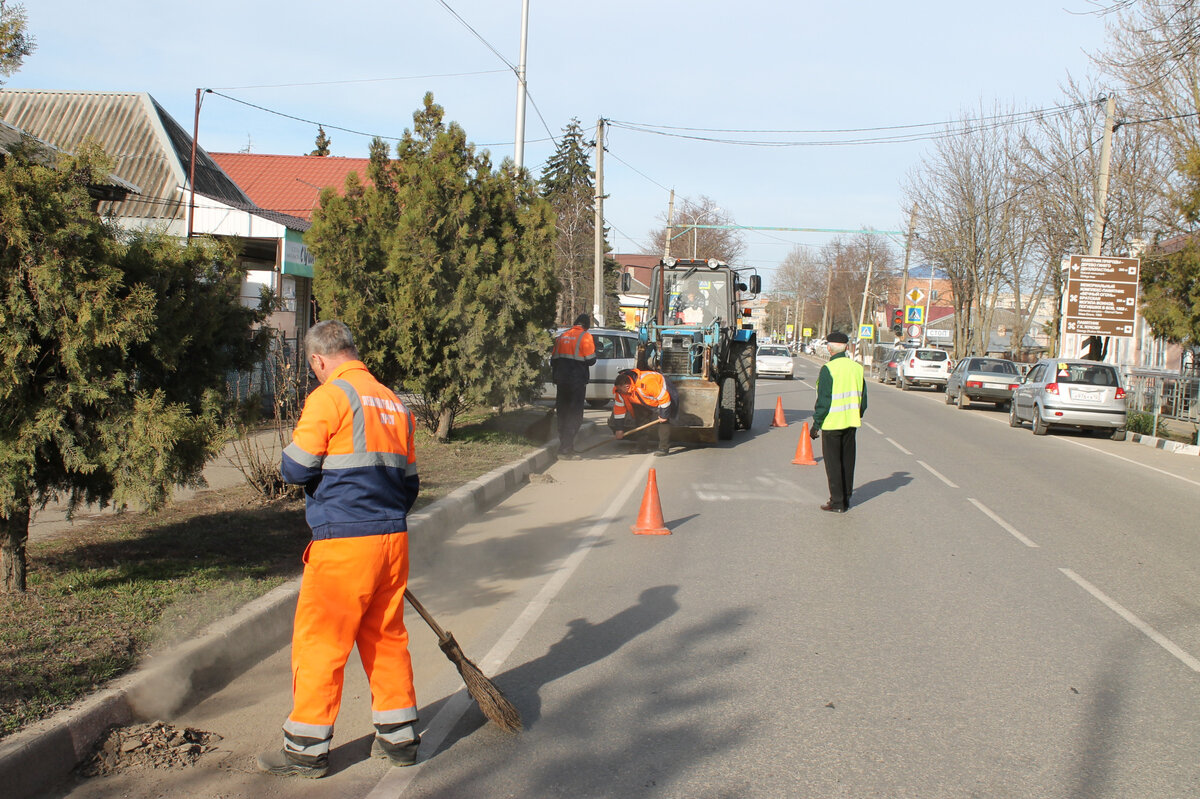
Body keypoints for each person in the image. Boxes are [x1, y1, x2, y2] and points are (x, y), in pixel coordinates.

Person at [258, 320, 421, 778]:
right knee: (386, 639)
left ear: (318, 360)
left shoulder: (329, 396)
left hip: (345, 545)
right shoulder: (394, 402)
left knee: (320, 643)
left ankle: (306, 751)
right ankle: (400, 739)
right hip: (392, 541)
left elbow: (296, 468)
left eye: (313, 368)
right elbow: (409, 485)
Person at [809, 330, 867, 513]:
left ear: (828, 348)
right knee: (848, 461)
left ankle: (837, 502)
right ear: (847, 348)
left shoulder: (828, 369)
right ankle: (847, 497)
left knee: (833, 463)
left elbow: (824, 400)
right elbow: (863, 399)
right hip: (851, 422)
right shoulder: (857, 368)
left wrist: (816, 424)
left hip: (832, 423)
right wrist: (858, 414)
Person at [550, 314, 596, 459]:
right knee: (575, 415)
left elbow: (553, 360)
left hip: (561, 381)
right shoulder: (585, 336)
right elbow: (591, 360)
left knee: (562, 413)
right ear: (586, 325)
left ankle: (564, 445)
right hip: (576, 381)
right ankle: (566, 449)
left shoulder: (561, 336)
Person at [608, 368, 678, 456]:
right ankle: (641, 447)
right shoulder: (620, 392)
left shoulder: (647, 382)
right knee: (640, 419)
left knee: (663, 421)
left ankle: (663, 448)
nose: (619, 392)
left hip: (663, 393)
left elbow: (664, 397)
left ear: (627, 386)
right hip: (642, 399)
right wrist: (619, 429)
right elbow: (619, 412)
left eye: (620, 390)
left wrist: (664, 415)